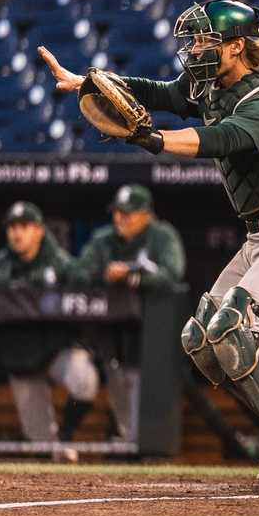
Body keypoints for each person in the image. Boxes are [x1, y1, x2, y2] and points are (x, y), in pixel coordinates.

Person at [39, 0, 259, 494]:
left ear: (237, 46)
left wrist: (152, 140)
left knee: (231, 327)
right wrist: (90, 83)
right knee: (199, 341)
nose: (195, 49)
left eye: (205, 40)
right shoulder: (208, 82)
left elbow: (218, 139)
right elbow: (161, 93)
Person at [76, 184, 185, 444]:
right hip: (112, 327)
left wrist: (132, 276)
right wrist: (104, 275)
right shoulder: (103, 239)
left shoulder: (161, 235)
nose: (119, 218)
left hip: (155, 327)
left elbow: (172, 274)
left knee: (177, 383)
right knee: (114, 370)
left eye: (128, 213)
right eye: (117, 212)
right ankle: (128, 436)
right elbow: (78, 272)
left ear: (146, 214)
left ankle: (145, 439)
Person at [0, 201, 98, 462]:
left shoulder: (60, 262)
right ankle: (54, 459)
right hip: (20, 357)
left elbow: (85, 282)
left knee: (84, 378)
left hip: (56, 349)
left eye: (24, 226)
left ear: (39, 231)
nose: (16, 233)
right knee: (39, 440)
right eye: (12, 227)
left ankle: (65, 436)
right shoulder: (1, 265)